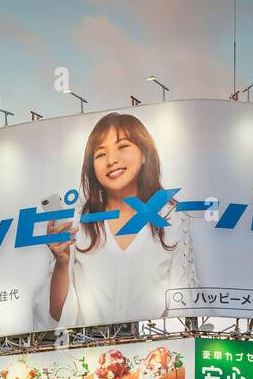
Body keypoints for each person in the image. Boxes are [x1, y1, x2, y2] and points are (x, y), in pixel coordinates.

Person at [36, 111, 198, 329]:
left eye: (123, 146)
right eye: (100, 154)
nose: (111, 160)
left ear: (144, 153)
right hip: (90, 353)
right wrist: (62, 263)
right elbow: (55, 317)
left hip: (152, 352)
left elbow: (185, 304)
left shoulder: (172, 217)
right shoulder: (78, 221)